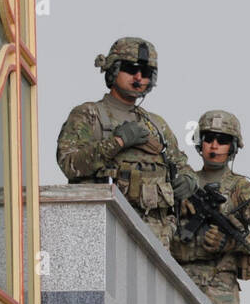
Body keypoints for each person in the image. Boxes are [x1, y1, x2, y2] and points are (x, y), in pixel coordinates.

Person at [55, 37, 197, 248]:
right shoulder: (90, 114)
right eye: (131, 69)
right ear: (114, 69)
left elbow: (180, 164)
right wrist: (118, 142)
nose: (139, 77)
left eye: (146, 73)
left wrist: (188, 179)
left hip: (155, 241)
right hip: (105, 233)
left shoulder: (156, 124)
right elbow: (69, 163)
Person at [169, 110, 250, 304]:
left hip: (220, 286)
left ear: (233, 146)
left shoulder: (241, 188)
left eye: (223, 140)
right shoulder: (184, 183)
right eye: (209, 138)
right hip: (178, 275)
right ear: (200, 142)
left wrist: (230, 243)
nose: (214, 145)